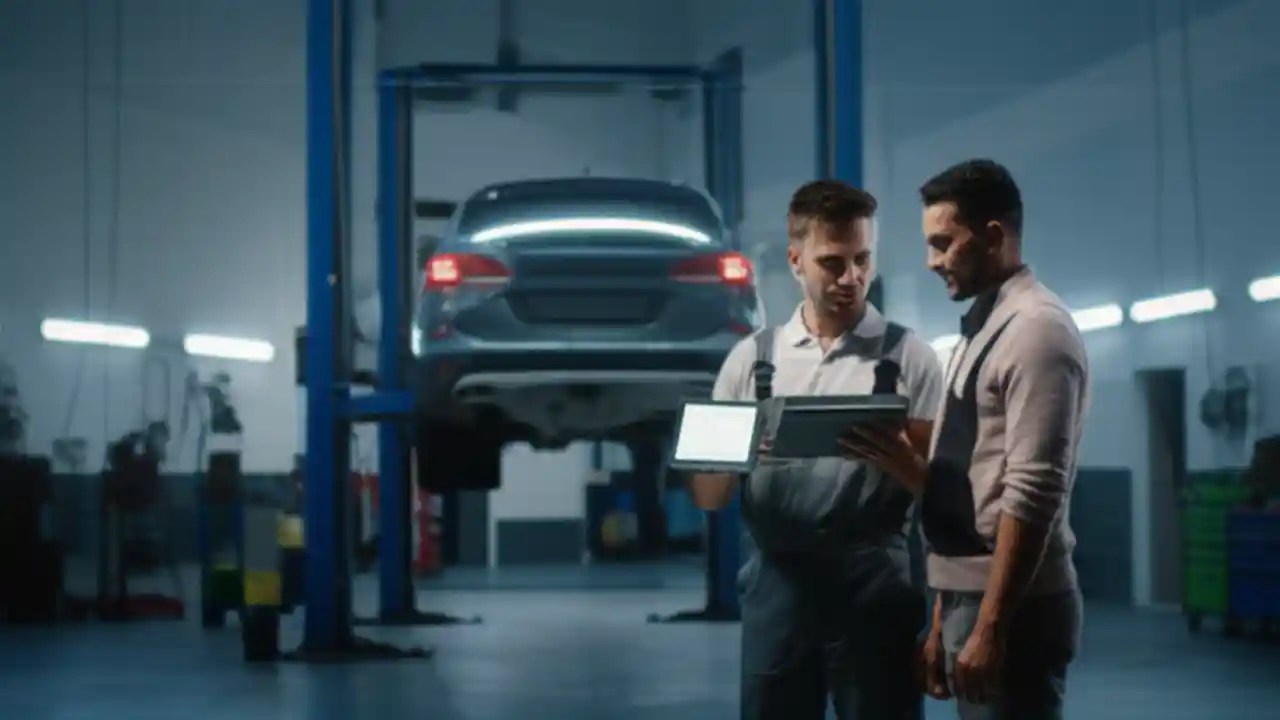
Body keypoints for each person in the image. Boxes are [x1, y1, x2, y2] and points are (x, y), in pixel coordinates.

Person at [842, 159, 1089, 719]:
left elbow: (1033, 491)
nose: (932, 262)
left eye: (943, 244)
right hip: (969, 601)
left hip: (1014, 610)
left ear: (994, 236)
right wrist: (942, 614)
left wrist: (991, 625)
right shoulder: (985, 326)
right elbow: (964, 487)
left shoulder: (1037, 332)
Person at [690, 179, 944, 720]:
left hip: (876, 587)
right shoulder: (750, 361)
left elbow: (938, 497)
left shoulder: (910, 359)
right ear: (795, 260)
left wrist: (896, 458)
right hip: (777, 587)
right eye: (833, 262)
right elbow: (710, 498)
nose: (852, 278)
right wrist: (735, 448)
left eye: (863, 259)